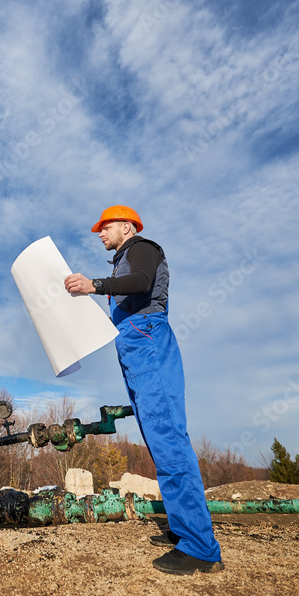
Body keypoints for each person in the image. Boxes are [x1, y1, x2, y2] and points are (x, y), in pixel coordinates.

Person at [64, 205, 223, 576]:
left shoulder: (142, 247)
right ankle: (183, 529)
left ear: (126, 226)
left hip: (147, 339)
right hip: (135, 345)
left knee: (167, 435)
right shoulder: (121, 259)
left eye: (104, 228)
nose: (100, 234)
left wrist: (95, 285)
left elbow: (140, 283)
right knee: (156, 437)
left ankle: (200, 547)